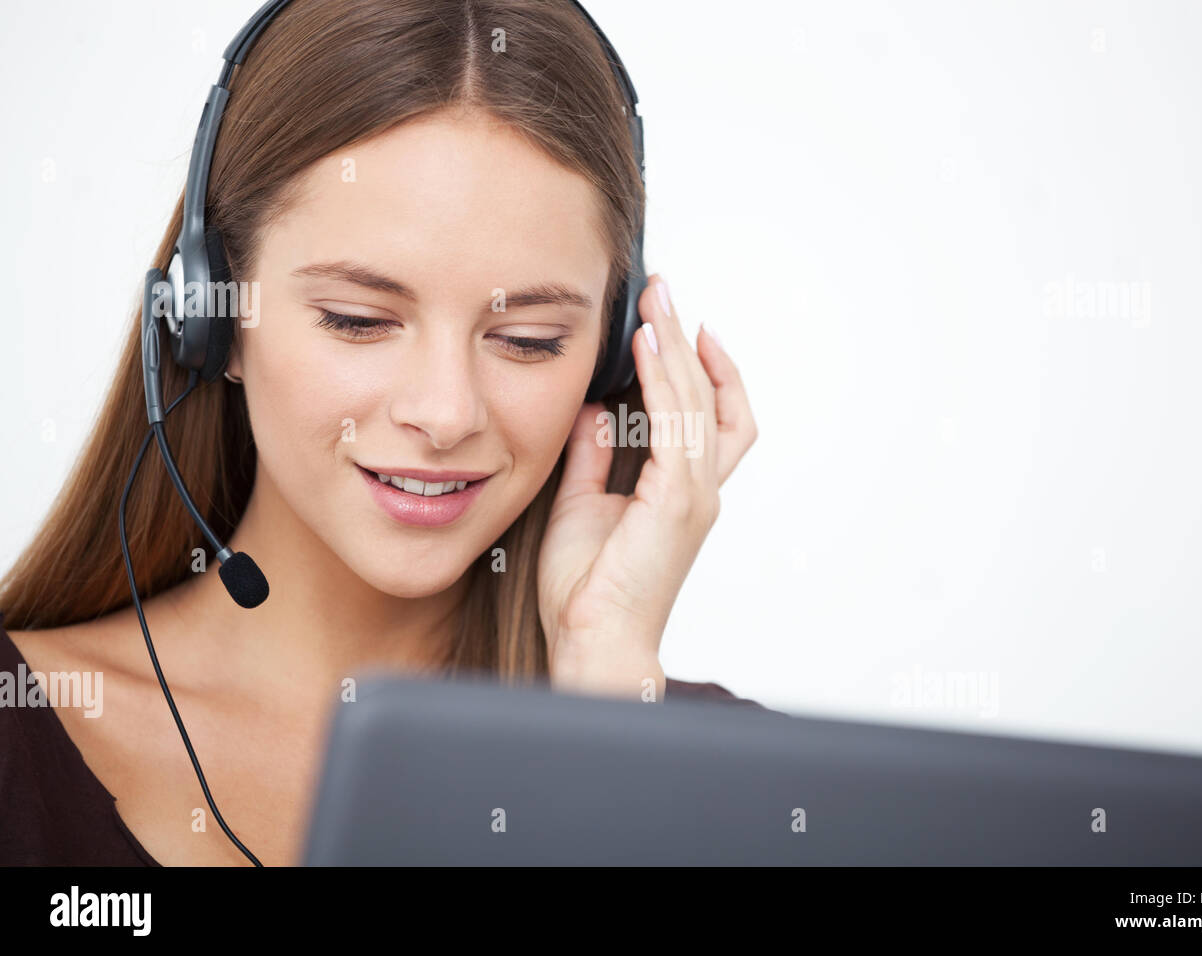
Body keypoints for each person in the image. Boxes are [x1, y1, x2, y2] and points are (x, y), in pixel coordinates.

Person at [0, 0, 762, 867]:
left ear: (611, 354)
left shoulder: (720, 778)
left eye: (528, 340)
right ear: (210, 318)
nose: (445, 414)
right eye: (360, 320)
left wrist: (604, 707)